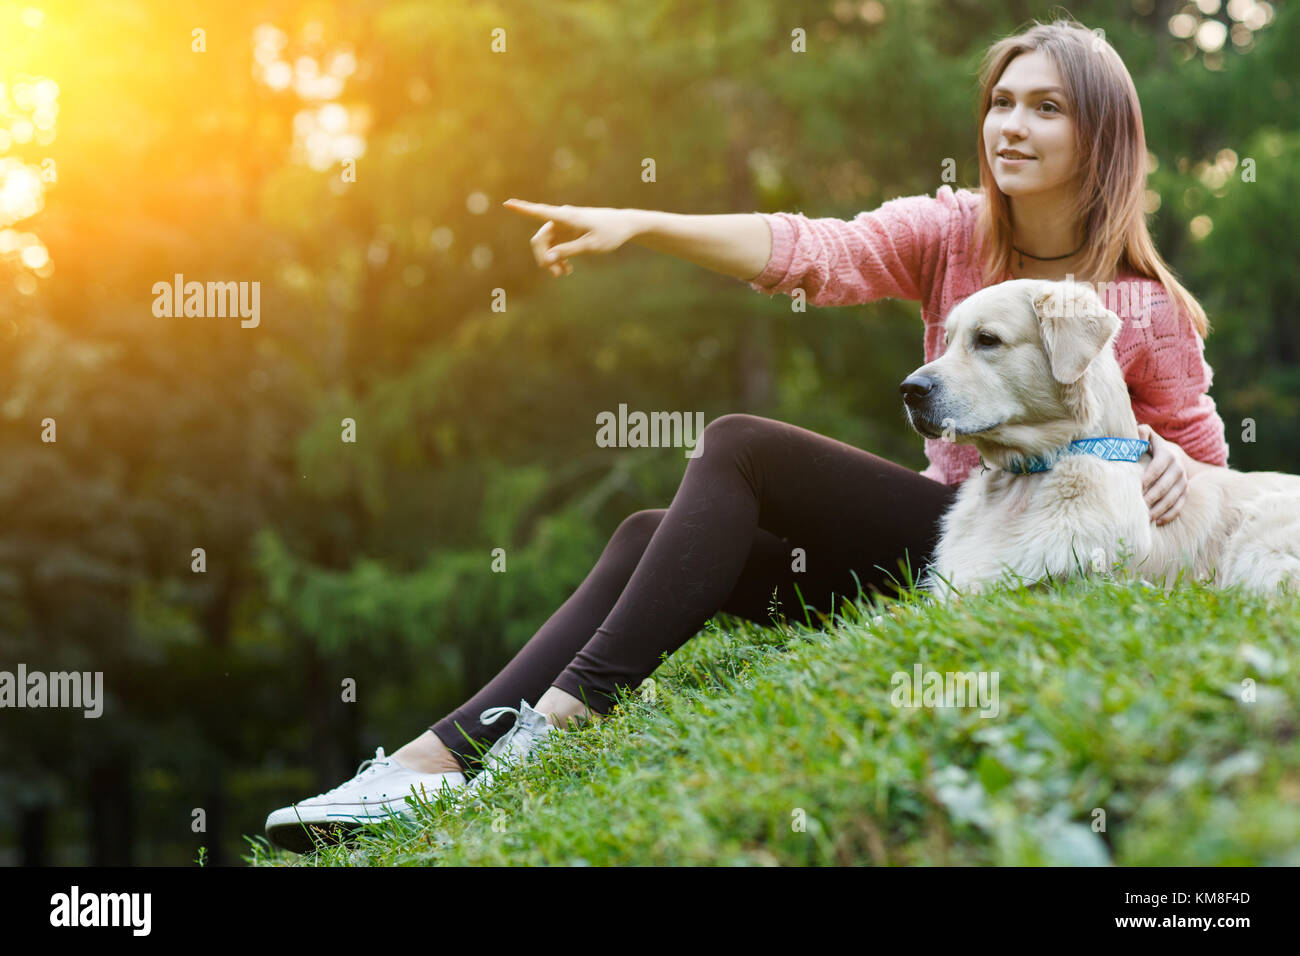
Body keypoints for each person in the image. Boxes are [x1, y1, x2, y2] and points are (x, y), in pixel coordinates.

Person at [264, 17, 1230, 853]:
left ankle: (557, 722)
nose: (1011, 125)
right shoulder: (950, 234)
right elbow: (811, 249)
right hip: (953, 532)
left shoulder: (1145, 310)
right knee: (652, 534)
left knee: (741, 444)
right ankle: (428, 765)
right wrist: (642, 222)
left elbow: (1213, 476)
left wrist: (1174, 456)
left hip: (1013, 550)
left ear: (1098, 133)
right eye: (1002, 101)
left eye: (1047, 108)